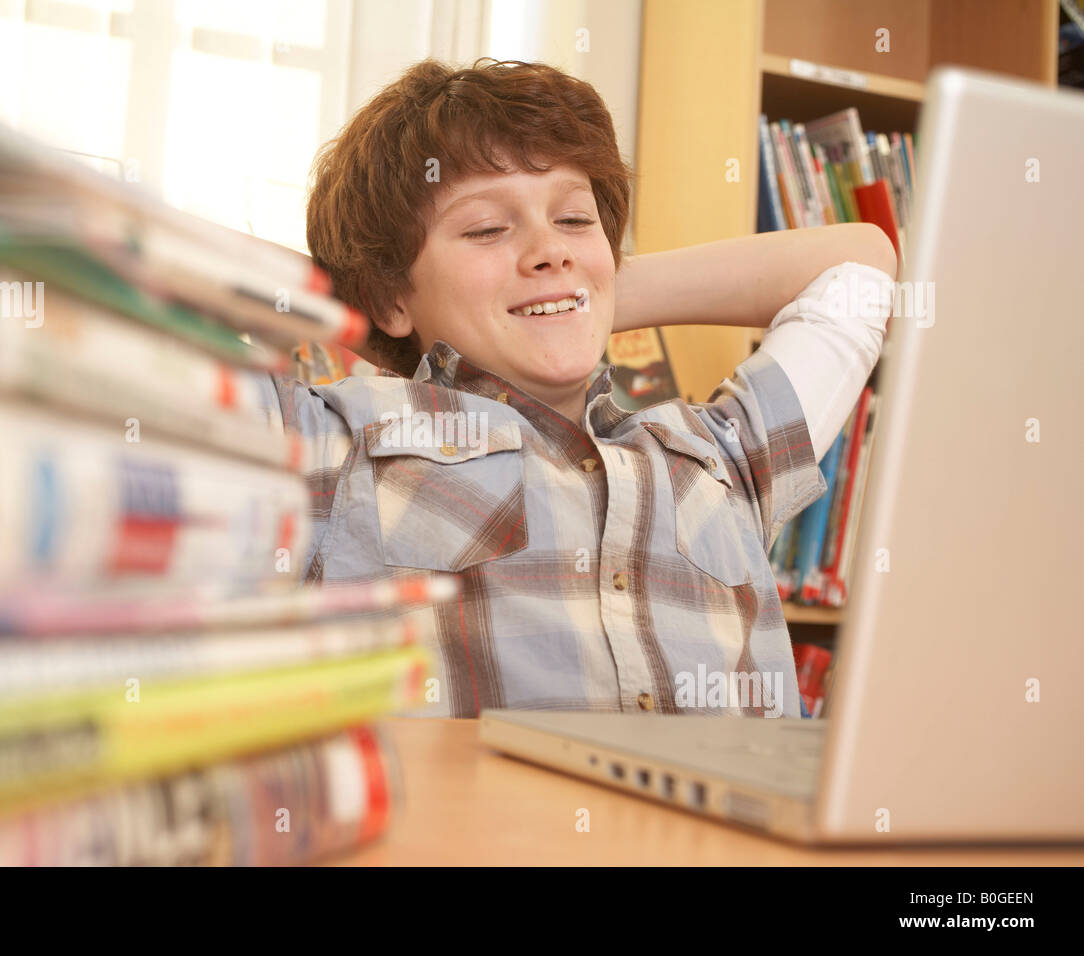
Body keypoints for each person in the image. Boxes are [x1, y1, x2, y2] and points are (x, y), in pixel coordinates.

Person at [256, 58, 896, 719]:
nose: (551, 248)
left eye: (573, 219)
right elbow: (147, 274)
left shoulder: (724, 455)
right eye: (486, 229)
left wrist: (591, 287)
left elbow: (864, 266)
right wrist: (366, 300)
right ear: (392, 292)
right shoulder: (333, 441)